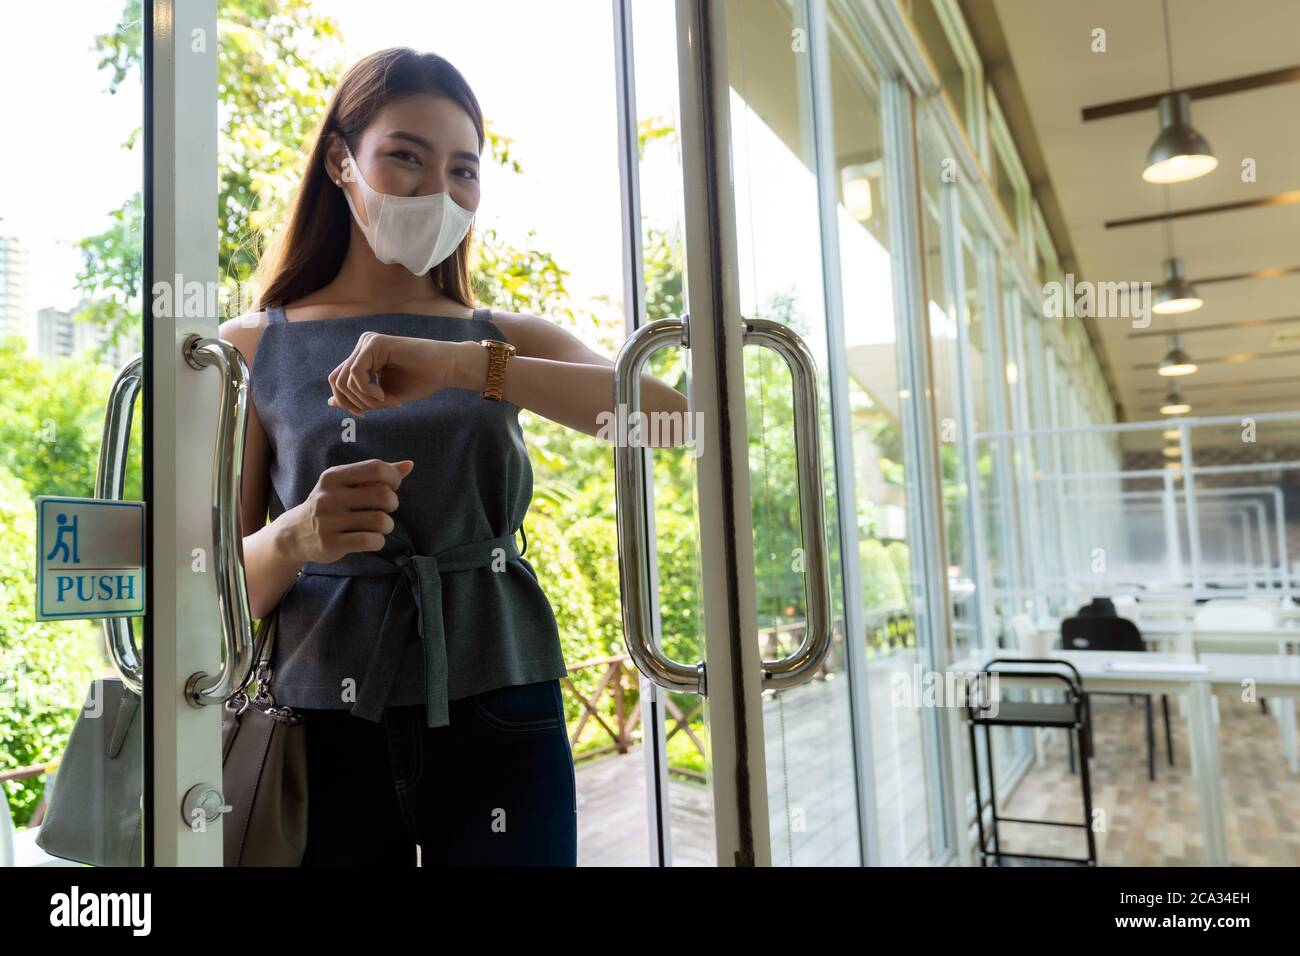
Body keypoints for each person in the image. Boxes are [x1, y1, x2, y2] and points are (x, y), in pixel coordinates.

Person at [219, 47, 687, 866]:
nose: (438, 187)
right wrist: (296, 536)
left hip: (503, 704)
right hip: (319, 725)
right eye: (405, 155)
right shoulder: (252, 347)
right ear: (341, 160)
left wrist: (465, 366)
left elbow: (676, 423)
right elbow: (212, 596)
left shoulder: (501, 339)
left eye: (463, 170)